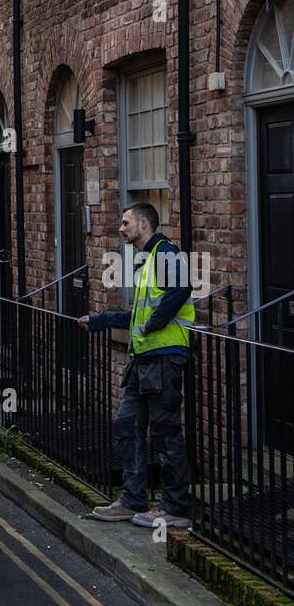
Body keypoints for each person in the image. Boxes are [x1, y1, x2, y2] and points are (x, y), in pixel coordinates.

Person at [78, 202, 194, 528]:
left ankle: (175, 508)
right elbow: (136, 316)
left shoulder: (166, 253)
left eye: (126, 222)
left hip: (164, 357)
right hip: (143, 360)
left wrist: (153, 325)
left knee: (166, 434)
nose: (121, 228)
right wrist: (101, 320)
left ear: (144, 224)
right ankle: (132, 499)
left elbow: (181, 289)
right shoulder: (146, 262)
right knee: (127, 425)